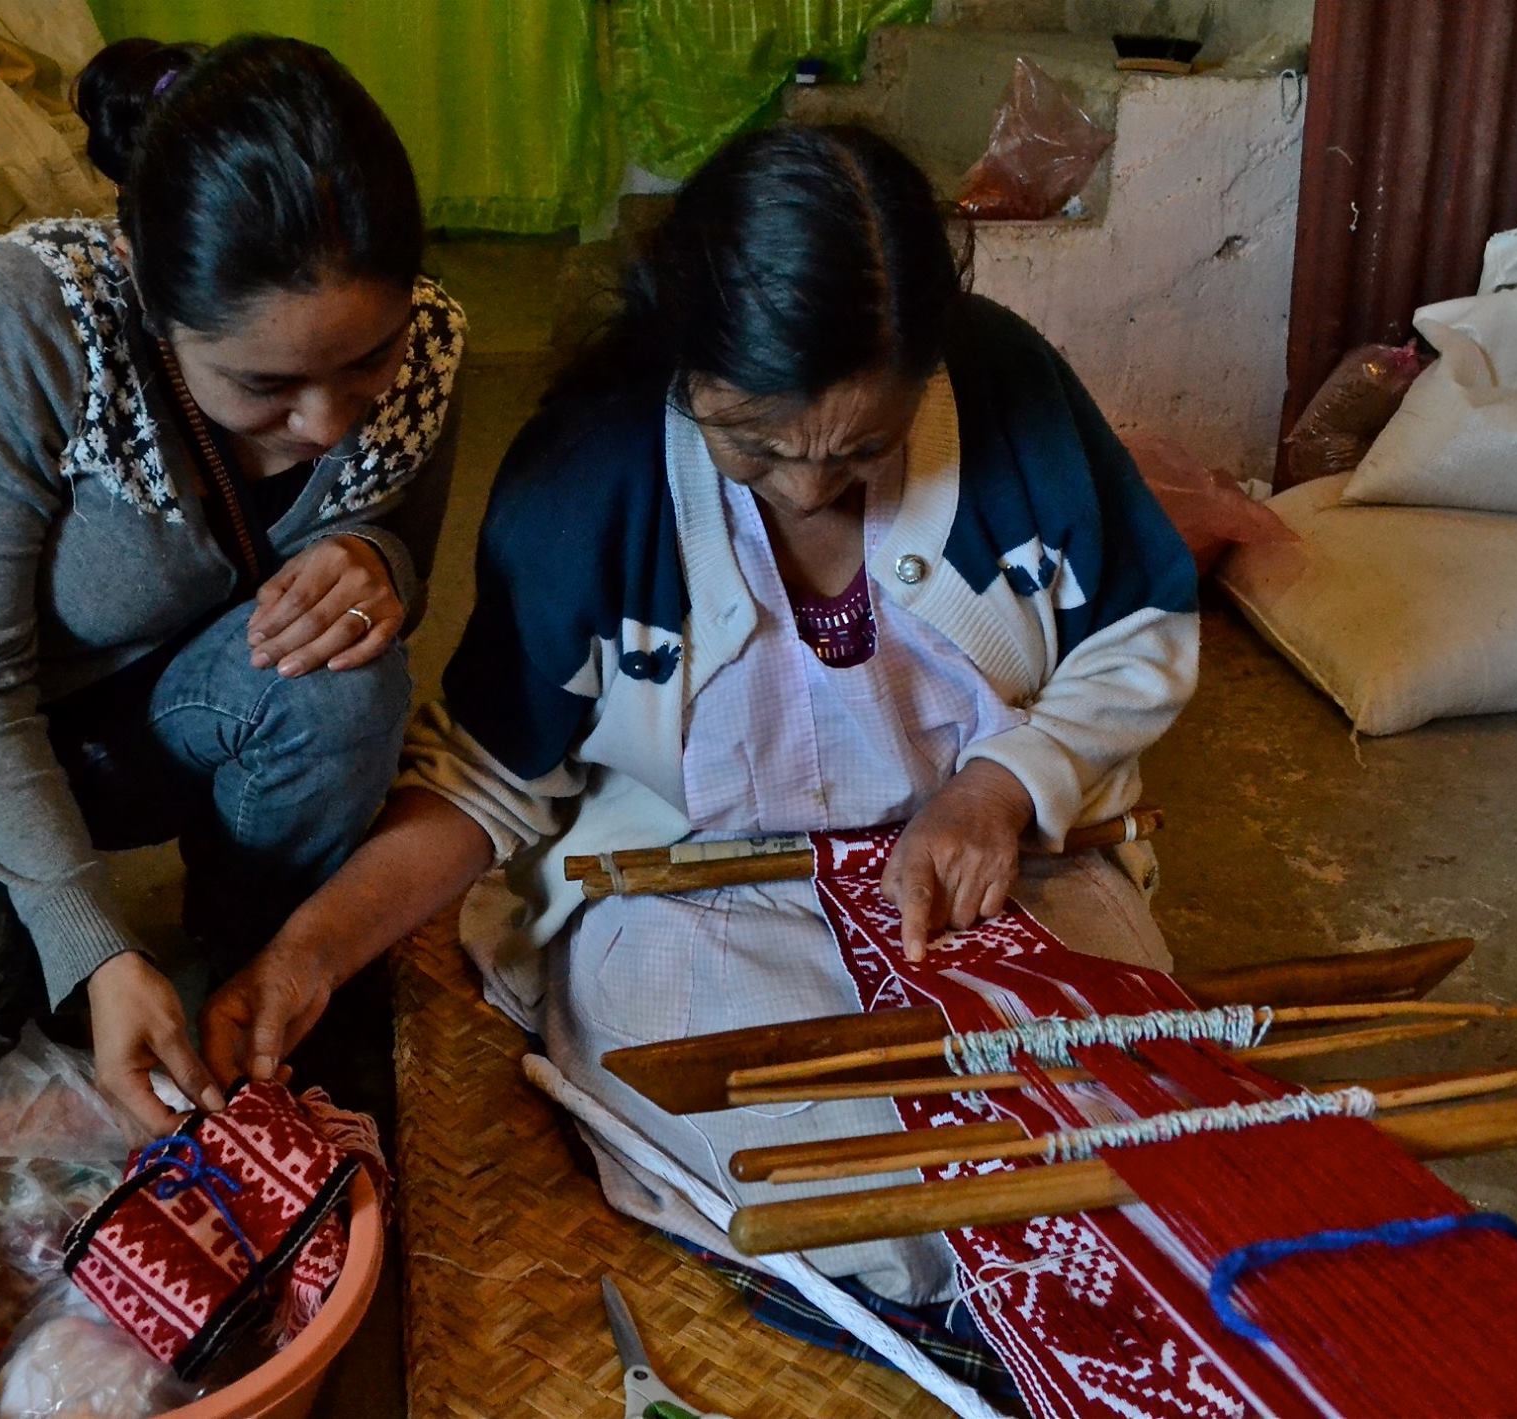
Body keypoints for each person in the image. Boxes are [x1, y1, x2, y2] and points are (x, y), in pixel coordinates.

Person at [203, 125, 1195, 1302]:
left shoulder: (1007, 388)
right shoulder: (592, 475)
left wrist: (1002, 784)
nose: (809, 487)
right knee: (856, 1182)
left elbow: (1143, 626)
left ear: (928, 367)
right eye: (754, 446)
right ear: (681, 365)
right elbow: (489, 776)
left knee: (1126, 1142)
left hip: (998, 872)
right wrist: (302, 955)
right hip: (708, 904)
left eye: (863, 449)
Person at [0, 35, 465, 1135]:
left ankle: (249, 967)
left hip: (157, 713)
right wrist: (91, 947)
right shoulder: (29, 324)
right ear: (151, 297)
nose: (330, 423)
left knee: (342, 679)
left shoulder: (422, 354)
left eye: (363, 362)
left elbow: (403, 563)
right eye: (264, 384)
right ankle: (31, 966)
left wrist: (377, 560)